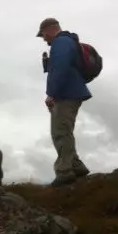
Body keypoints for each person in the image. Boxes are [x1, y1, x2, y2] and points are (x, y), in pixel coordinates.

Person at [36, 17, 91, 187]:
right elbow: (62, 66)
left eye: (43, 36)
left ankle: (64, 172)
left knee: (60, 132)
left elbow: (60, 68)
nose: (44, 39)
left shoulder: (61, 42)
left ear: (48, 30)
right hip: (71, 91)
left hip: (66, 94)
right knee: (65, 130)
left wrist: (52, 93)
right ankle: (76, 165)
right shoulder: (68, 42)